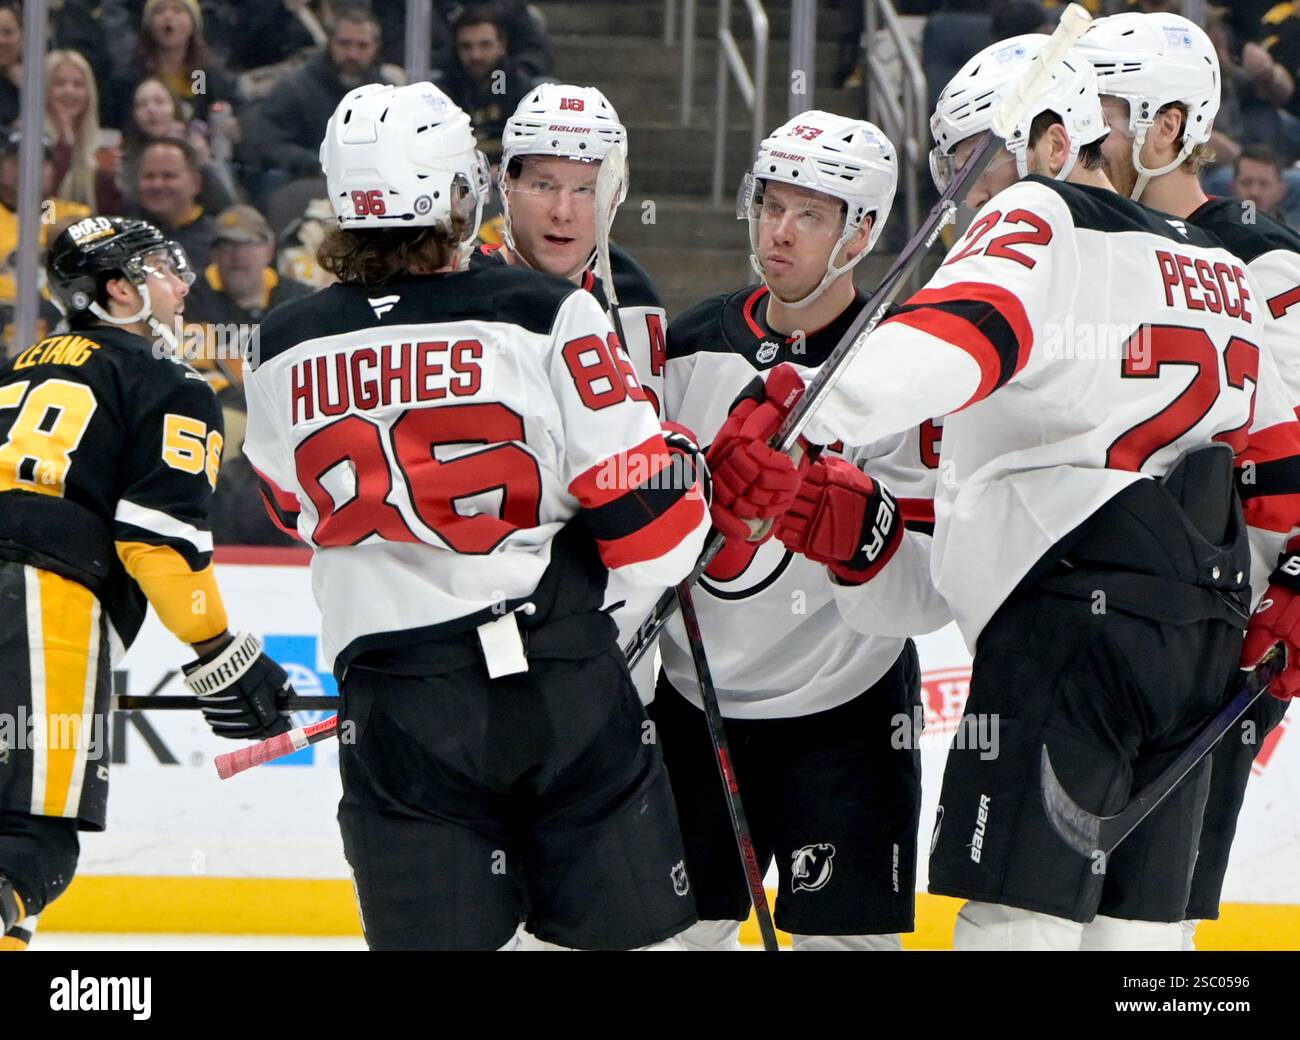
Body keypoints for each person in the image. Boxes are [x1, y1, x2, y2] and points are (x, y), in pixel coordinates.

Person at [708, 34, 1300, 950]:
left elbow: (957, 335)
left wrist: (806, 400)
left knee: (1013, 926)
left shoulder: (1041, 217)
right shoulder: (1219, 268)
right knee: (1142, 941)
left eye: (978, 159)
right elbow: (1274, 455)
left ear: (1055, 143)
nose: (968, 193)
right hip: (1200, 632)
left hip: (1070, 624)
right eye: (954, 167)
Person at [242, 82, 711, 951]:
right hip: (557, 685)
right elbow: (655, 527)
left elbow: (291, 509)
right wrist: (683, 459)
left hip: (395, 709)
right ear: (465, 193)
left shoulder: (277, 346)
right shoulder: (543, 312)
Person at [652, 111, 950, 951]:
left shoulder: (906, 364)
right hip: (695, 696)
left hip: (846, 713)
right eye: (770, 206)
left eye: (809, 215)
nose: (778, 232)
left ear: (861, 232)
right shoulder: (690, 343)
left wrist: (851, 517)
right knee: (669, 937)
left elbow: (922, 577)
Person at [0, 216, 298, 950]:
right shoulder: (167, 380)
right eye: (164, 268)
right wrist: (221, 653)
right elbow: (155, 545)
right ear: (118, 290)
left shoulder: (17, 368)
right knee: (29, 842)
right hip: (40, 605)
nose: (185, 282)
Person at [1077, 9, 1300, 950]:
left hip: (1226, 643)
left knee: (1145, 933)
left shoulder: (1262, 256)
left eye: (1108, 114)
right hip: (1099, 626)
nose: (1085, 135)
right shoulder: (1087, 246)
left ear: (1170, 126)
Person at [472, 83, 668, 698]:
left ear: (616, 196)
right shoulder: (457, 294)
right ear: (505, 184)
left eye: (585, 188)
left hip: (612, 649)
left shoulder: (634, 296)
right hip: (481, 645)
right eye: (543, 185)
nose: (564, 211)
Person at [244, 4, 394, 180]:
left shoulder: (387, 96)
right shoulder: (295, 89)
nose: (352, 54)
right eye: (344, 44)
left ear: (376, 48)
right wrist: (320, 164)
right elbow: (268, 144)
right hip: (305, 183)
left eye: (362, 46)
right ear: (330, 43)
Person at [101, 0, 240, 130]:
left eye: (178, 11)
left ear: (193, 24)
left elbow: (201, 109)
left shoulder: (201, 75)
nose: (168, 17)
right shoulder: (130, 76)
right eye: (160, 11)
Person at [439, 4, 534, 167]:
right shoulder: (442, 91)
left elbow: (531, 151)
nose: (475, 55)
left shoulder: (521, 89)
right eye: (466, 46)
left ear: (502, 46)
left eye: (485, 45)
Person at [44, 49, 125, 215]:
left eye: (78, 85)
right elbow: (42, 200)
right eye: (60, 84)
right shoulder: (23, 141)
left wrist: (109, 178)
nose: (70, 91)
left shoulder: (101, 145)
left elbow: (110, 212)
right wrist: (65, 143)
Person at [130, 136, 216, 269]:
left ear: (196, 183)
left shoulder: (217, 242)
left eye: (169, 176)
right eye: (149, 176)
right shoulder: (124, 236)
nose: (157, 185)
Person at [1231, 144, 1295, 227]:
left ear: (1281, 190)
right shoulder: (1214, 236)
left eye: (1264, 184)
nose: (1254, 192)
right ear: (1233, 187)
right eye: (1246, 183)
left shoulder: (1293, 238)